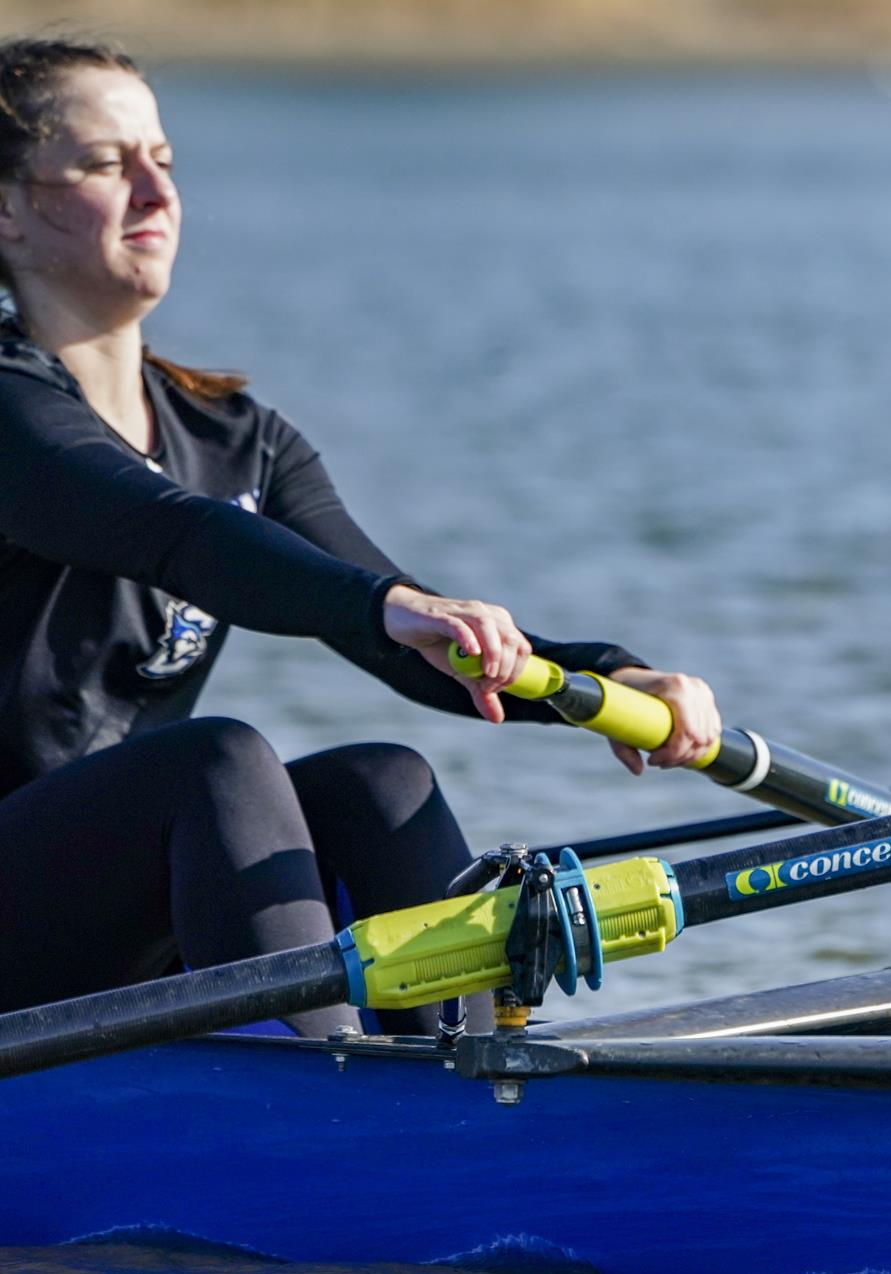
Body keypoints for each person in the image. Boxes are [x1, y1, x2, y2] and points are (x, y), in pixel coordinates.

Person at [0, 37, 720, 1037]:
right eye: (105, 164)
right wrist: (384, 607)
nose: (156, 194)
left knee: (384, 780)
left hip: (102, 900)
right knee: (215, 762)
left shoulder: (236, 437)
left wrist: (611, 678)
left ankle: (467, 1076)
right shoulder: (12, 411)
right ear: (9, 210)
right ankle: (327, 1088)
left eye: (162, 159)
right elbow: (176, 533)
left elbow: (410, 634)